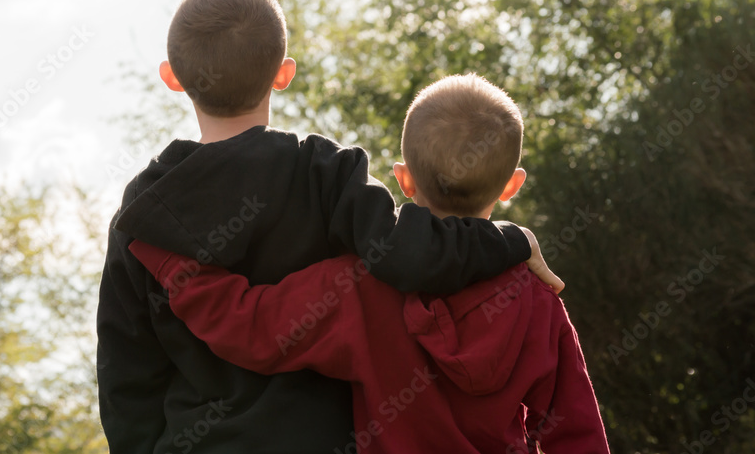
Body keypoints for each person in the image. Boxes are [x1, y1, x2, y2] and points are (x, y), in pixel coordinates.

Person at [97, 0, 563, 453]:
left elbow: (125, 375)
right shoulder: (326, 171)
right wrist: (509, 240)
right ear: (283, 72)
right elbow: (412, 256)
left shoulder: (142, 209)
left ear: (172, 76)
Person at [131, 73, 608, 453]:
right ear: (512, 185)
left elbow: (251, 327)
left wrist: (172, 260)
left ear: (402, 180)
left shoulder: (359, 285)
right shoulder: (537, 300)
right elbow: (578, 431)